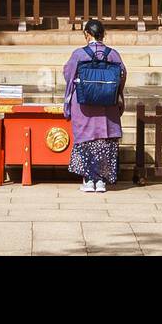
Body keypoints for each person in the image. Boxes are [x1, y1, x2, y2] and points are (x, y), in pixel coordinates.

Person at [62, 18, 126, 193]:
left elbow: (68, 75)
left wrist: (67, 103)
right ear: (103, 35)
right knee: (104, 141)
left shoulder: (79, 54)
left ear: (87, 34)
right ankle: (102, 181)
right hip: (107, 105)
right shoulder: (113, 54)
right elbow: (122, 75)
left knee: (86, 140)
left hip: (84, 106)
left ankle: (89, 180)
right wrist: (117, 96)